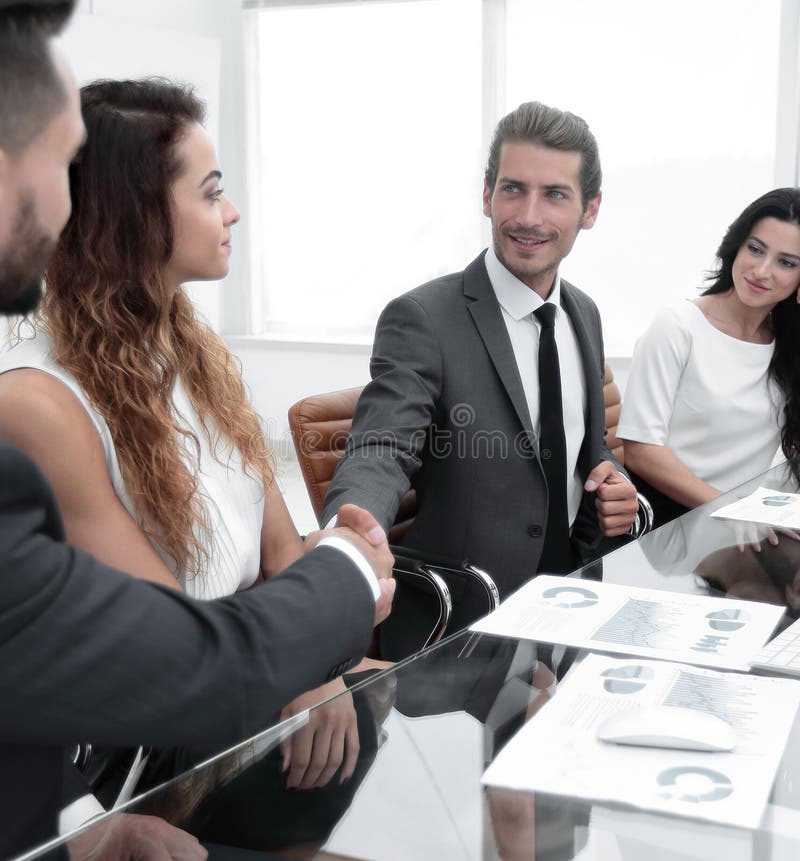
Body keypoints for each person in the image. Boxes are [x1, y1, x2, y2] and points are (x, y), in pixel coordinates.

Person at [0, 3, 394, 857]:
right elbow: (175, 642)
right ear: (133, 213)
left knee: (369, 712)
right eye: (211, 191)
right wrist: (331, 614)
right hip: (155, 754)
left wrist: (324, 669)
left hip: (246, 691)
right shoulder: (38, 402)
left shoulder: (199, 351)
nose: (233, 211)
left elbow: (283, 552)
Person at [323, 101, 639, 599]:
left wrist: (614, 481)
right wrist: (349, 539)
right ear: (487, 195)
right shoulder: (422, 318)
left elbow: (586, 444)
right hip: (468, 610)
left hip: (578, 589)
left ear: (591, 209)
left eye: (555, 194)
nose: (529, 217)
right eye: (513, 189)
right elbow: (382, 447)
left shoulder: (584, 313)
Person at [617, 188, 800, 527]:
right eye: (755, 249)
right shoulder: (677, 327)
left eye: (786, 263)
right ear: (737, 245)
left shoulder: (787, 345)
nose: (762, 271)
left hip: (745, 525)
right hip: (671, 525)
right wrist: (735, 510)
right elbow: (641, 451)